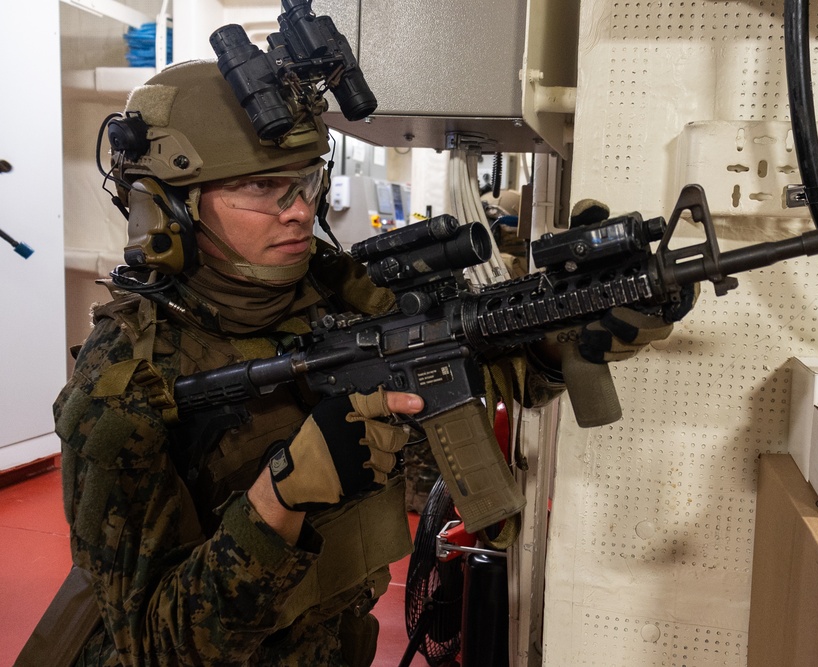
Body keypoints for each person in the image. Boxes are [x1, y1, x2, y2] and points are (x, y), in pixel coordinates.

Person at [39, 54, 687, 666]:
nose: (300, 211)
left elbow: (460, 373)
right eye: (265, 187)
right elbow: (154, 648)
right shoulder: (123, 384)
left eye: (306, 180)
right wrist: (281, 496)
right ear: (167, 207)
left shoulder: (331, 288)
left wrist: (571, 329)